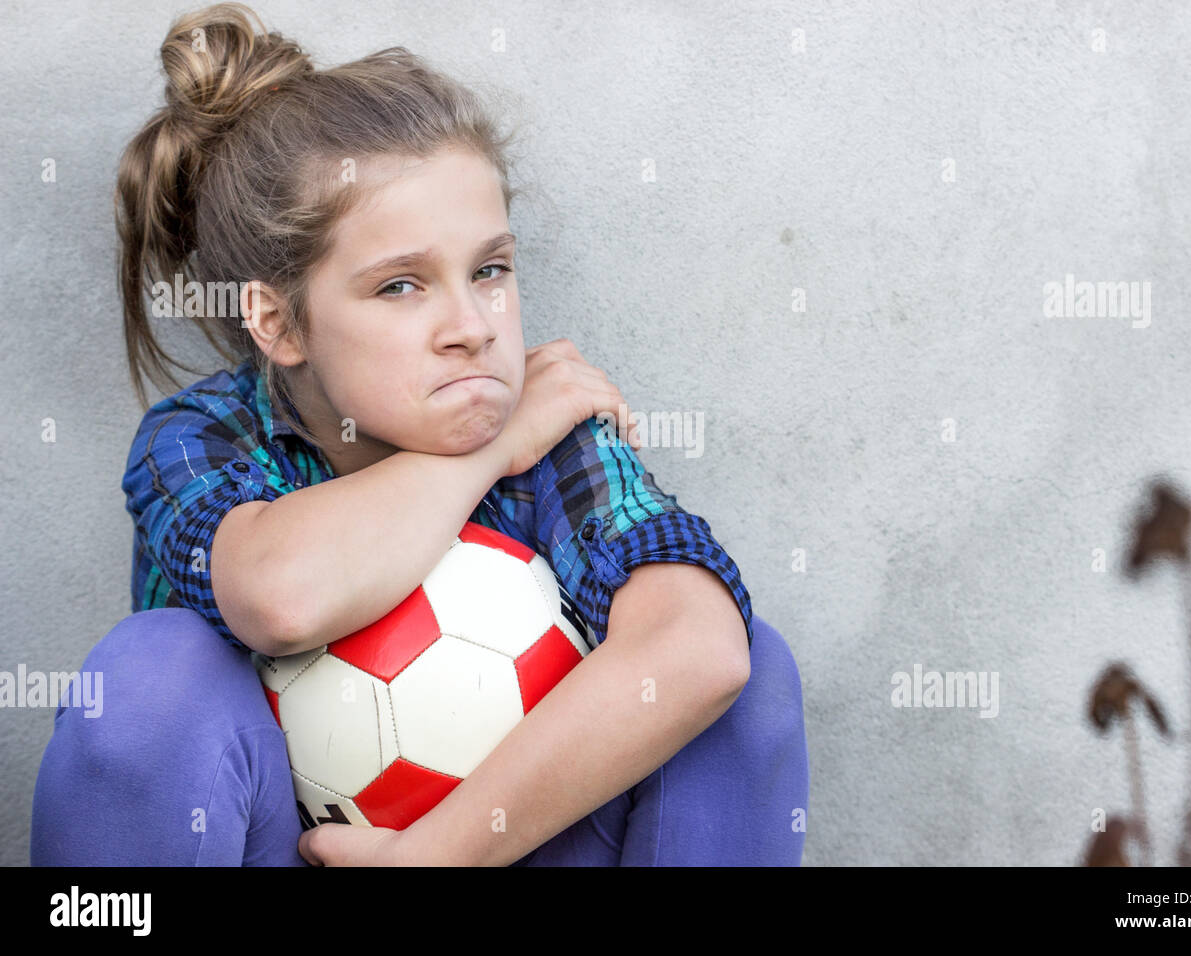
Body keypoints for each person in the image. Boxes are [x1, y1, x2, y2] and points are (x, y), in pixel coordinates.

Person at [30, 2, 808, 866]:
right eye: (401, 286)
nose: (472, 325)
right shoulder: (204, 437)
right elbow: (280, 598)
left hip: (504, 851)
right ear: (280, 323)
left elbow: (701, 651)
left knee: (748, 672)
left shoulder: (560, 442)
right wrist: (488, 451)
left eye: (489, 271)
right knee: (148, 670)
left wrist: (438, 854)